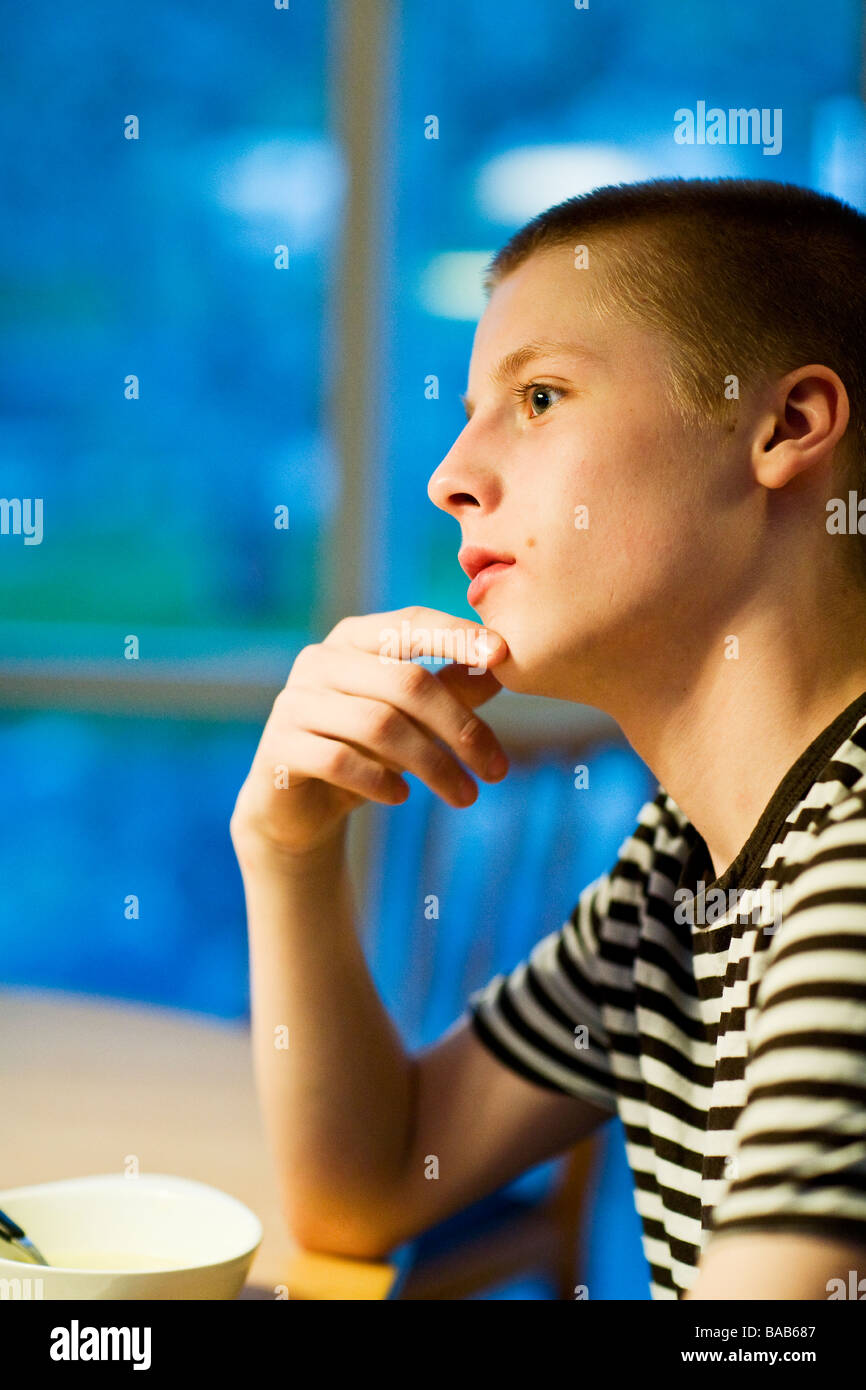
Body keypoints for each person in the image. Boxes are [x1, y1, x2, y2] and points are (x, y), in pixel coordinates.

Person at [230, 177, 866, 1300]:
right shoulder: (682, 865)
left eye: (536, 398)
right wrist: (284, 850)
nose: (448, 479)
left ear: (785, 426)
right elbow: (371, 1181)